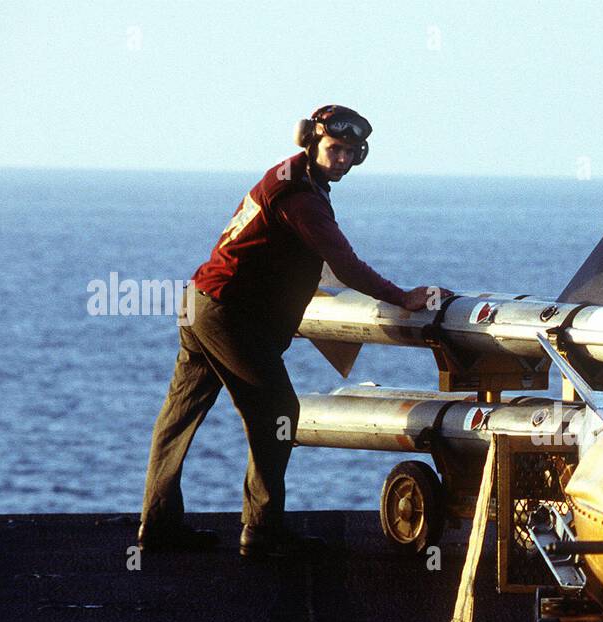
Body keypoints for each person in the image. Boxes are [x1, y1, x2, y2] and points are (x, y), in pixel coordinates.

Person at [138, 104, 448, 557]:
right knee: (277, 412)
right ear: (311, 142)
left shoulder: (291, 177)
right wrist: (402, 298)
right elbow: (343, 262)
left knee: (179, 414)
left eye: (350, 151)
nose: (341, 158)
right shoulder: (302, 198)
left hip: (201, 302)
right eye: (334, 148)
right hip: (228, 314)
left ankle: (159, 523)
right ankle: (261, 531)